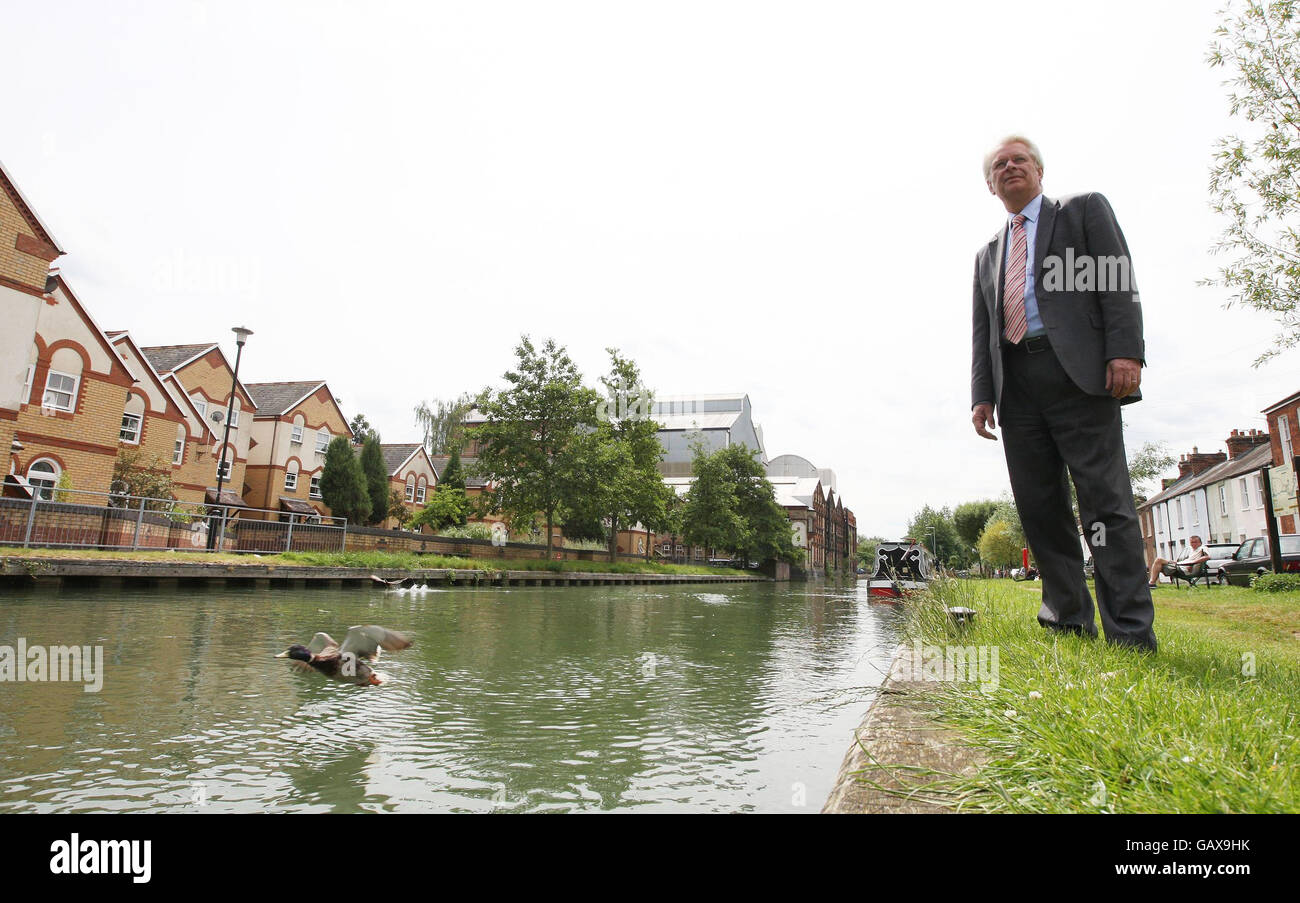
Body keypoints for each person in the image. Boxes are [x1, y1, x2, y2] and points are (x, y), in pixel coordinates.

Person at [970, 135, 1157, 652]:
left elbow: (1117, 279)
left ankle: (1130, 632)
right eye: (999, 165)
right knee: (1040, 507)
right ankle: (1067, 619)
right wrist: (981, 395)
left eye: (1019, 160)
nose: (1010, 167)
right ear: (990, 185)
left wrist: (1126, 351)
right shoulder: (987, 255)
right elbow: (982, 332)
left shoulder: (1081, 211)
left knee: (1106, 504)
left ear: (1039, 171)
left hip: (1079, 373)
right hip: (1018, 387)